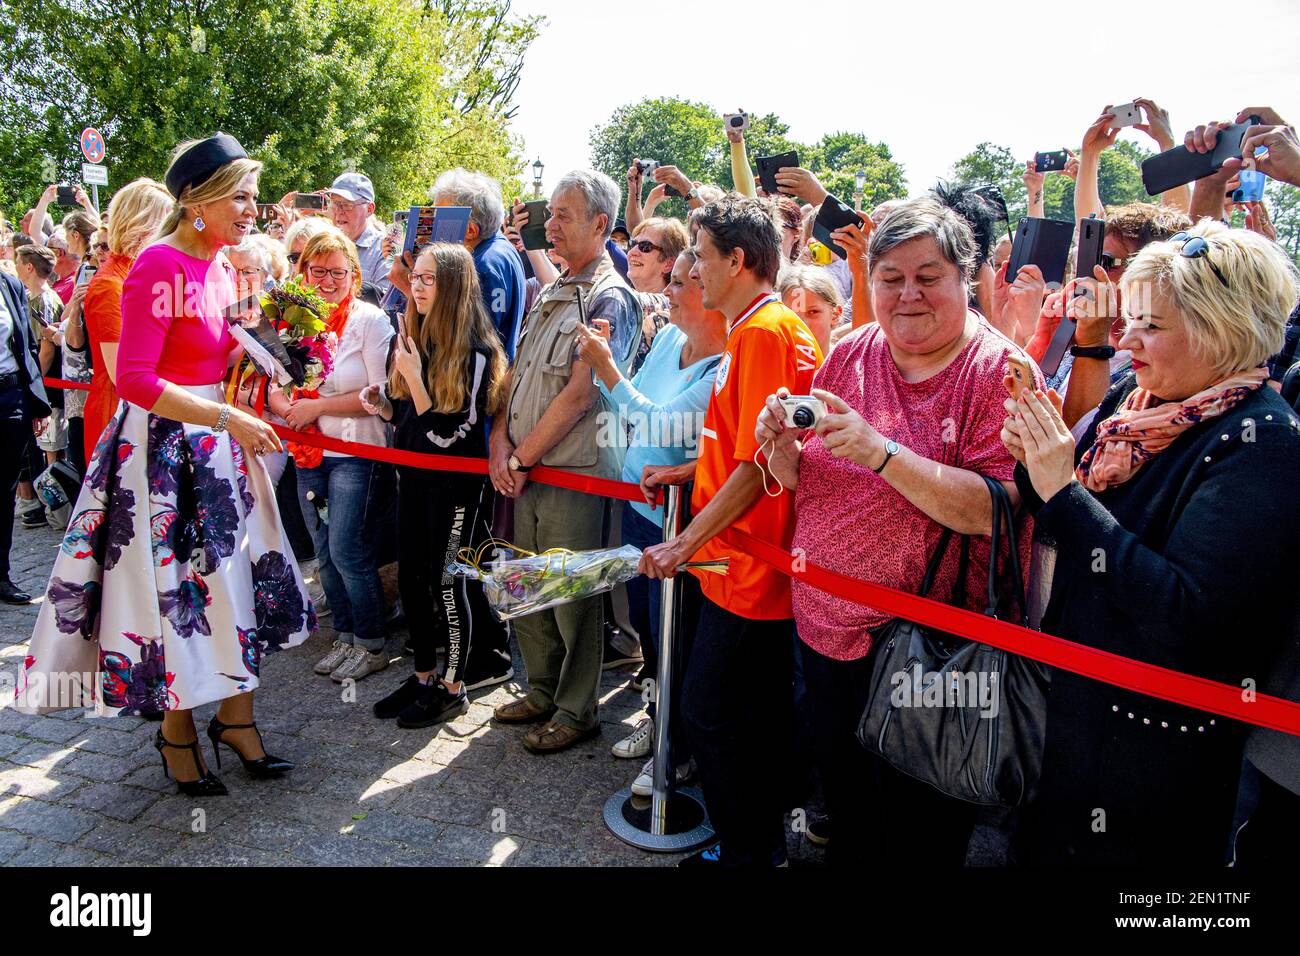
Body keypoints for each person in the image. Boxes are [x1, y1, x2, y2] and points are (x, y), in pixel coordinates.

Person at [15, 133, 312, 797]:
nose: (251, 209)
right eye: (240, 195)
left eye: (254, 196)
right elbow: (139, 381)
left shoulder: (229, 268)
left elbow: (244, 351)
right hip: (165, 455)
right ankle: (177, 732)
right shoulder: (157, 265)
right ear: (196, 201)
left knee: (238, 588)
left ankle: (237, 721)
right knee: (175, 597)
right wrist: (227, 418)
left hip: (222, 448)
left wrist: (293, 357)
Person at [1004, 221, 1300, 865]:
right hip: (1074, 723)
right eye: (1129, 319)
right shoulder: (1132, 401)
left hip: (1154, 759)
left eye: (1152, 326)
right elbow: (1063, 516)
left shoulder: (1264, 442)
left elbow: (1189, 618)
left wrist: (1060, 490)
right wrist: (1031, 455)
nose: (1124, 339)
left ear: (1224, 330)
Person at [756, 198, 1038, 866]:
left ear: (966, 279)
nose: (908, 294)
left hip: (928, 655)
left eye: (928, 275)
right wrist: (777, 450)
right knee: (850, 818)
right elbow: (812, 481)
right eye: (890, 277)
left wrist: (883, 452)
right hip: (826, 636)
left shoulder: (999, 373)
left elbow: (1001, 510)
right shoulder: (851, 349)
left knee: (917, 837)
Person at [638, 195, 823, 867]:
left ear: (738, 261)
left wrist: (684, 542)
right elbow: (741, 445)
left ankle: (748, 854)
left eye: (701, 255)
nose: (691, 268)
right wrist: (686, 473)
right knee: (736, 716)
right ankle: (751, 847)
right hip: (732, 561)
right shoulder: (753, 330)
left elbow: (759, 467)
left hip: (751, 569)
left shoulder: (767, 332)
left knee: (710, 714)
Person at [487, 169, 640, 753]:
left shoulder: (608, 296)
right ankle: (542, 690)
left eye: (563, 215)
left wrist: (521, 456)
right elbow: (516, 376)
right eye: (549, 214)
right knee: (526, 585)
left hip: (573, 472)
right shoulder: (553, 287)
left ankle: (577, 712)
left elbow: (583, 395)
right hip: (527, 466)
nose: (548, 224)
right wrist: (501, 443)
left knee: (572, 596)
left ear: (601, 224)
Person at [575, 247, 726, 777]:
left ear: (710, 292)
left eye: (683, 281)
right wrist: (602, 366)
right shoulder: (667, 337)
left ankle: (677, 745)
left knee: (675, 632)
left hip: (681, 521)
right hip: (638, 508)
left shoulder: (725, 368)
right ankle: (658, 717)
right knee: (645, 622)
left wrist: (607, 368)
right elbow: (628, 406)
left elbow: (663, 423)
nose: (669, 290)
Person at [363, 243, 512, 726]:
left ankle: (453, 686)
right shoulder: (416, 338)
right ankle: (424, 675)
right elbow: (410, 422)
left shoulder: (479, 353)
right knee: (412, 579)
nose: (416, 287)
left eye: (428, 279)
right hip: (415, 483)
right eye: (415, 277)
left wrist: (415, 381)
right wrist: (384, 405)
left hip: (457, 491)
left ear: (453, 288)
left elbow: (451, 437)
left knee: (448, 585)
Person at [272, 227, 394, 683]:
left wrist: (317, 406)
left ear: (354, 274)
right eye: (316, 270)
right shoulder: (296, 321)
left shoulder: (370, 320)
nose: (326, 279)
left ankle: (371, 642)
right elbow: (278, 380)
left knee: (347, 548)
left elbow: (378, 394)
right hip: (309, 452)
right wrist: (286, 405)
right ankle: (344, 635)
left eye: (336, 272)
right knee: (323, 552)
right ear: (302, 272)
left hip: (356, 451)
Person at [80, 178, 174, 469]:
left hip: (145, 413)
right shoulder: (111, 285)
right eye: (168, 224)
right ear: (144, 225)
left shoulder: (138, 274)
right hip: (121, 420)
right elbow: (122, 375)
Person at [0, 263, 51, 600]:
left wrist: (37, 404)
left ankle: (1, 575)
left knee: (4, 489)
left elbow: (27, 346)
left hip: (10, 398)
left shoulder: (9, 284)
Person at [323, 171, 390, 298]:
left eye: (347, 205)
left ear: (369, 209)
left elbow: (383, 301)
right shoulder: (321, 245)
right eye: (335, 203)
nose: (339, 211)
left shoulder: (384, 249)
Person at [777, 263, 844, 355]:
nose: (802, 325)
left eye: (813, 312)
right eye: (792, 316)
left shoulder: (851, 366)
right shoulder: (772, 366)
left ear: (835, 315)